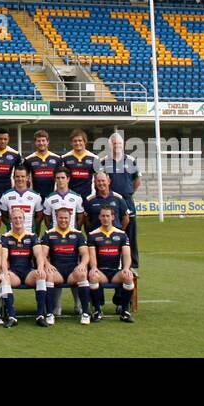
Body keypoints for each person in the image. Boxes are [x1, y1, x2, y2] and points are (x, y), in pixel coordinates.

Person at [36, 205, 92, 326]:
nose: (63, 220)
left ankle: (85, 313)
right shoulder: (49, 234)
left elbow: (85, 254)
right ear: (56, 217)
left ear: (70, 218)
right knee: (49, 274)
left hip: (73, 271)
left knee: (82, 274)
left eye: (66, 218)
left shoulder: (77, 234)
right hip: (57, 271)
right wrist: (47, 263)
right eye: (61, 218)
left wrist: (82, 264)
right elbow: (42, 254)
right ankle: (50, 313)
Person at [99, 132, 141, 270]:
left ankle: (132, 265)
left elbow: (137, 180)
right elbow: (100, 181)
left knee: (131, 233)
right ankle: (113, 265)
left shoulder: (131, 160)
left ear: (123, 145)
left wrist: (128, 193)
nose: (117, 146)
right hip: (112, 202)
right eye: (114, 143)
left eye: (119, 143)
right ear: (109, 145)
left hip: (128, 201)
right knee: (112, 233)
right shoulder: (104, 162)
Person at [86, 204, 135, 323]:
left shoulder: (121, 234)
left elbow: (127, 255)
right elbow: (92, 256)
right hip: (101, 272)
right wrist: (93, 268)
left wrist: (127, 268)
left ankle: (124, 311)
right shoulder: (93, 235)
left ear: (113, 217)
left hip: (115, 272)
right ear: (99, 217)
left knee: (128, 277)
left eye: (108, 216)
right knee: (93, 276)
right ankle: (97, 310)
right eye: (103, 216)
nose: (105, 218)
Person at [0, 208, 42, 328]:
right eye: (15, 218)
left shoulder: (32, 236)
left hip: (28, 273)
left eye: (20, 218)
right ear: (11, 220)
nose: (18, 220)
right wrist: (5, 272)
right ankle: (12, 316)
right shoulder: (5, 237)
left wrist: (40, 268)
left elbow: (39, 255)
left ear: (24, 220)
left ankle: (41, 316)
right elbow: (3, 258)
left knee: (41, 276)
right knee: (5, 278)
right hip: (14, 273)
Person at [0, 167, 42, 242]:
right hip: (11, 236)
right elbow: (3, 215)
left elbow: (39, 216)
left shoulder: (36, 196)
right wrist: (11, 224)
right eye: (17, 176)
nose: (20, 179)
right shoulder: (6, 196)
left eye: (22, 176)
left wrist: (32, 227)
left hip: (29, 235)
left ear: (27, 178)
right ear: (13, 177)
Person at [22, 130, 61, 202]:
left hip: (53, 196)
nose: (41, 143)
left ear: (48, 142)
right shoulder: (28, 159)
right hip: (34, 197)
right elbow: (24, 179)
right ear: (35, 142)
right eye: (38, 141)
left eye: (43, 140)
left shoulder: (57, 159)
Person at [42, 167, 85, 232]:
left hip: (72, 233)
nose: (60, 180)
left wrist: (75, 230)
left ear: (68, 179)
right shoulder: (49, 199)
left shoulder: (77, 198)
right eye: (58, 178)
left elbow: (80, 218)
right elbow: (47, 219)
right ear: (55, 179)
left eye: (63, 177)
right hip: (55, 234)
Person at [62, 129, 97, 203]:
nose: (77, 143)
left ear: (85, 141)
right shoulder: (64, 158)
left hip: (88, 197)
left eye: (80, 140)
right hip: (70, 197)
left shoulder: (94, 158)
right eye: (75, 141)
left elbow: (98, 178)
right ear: (71, 143)